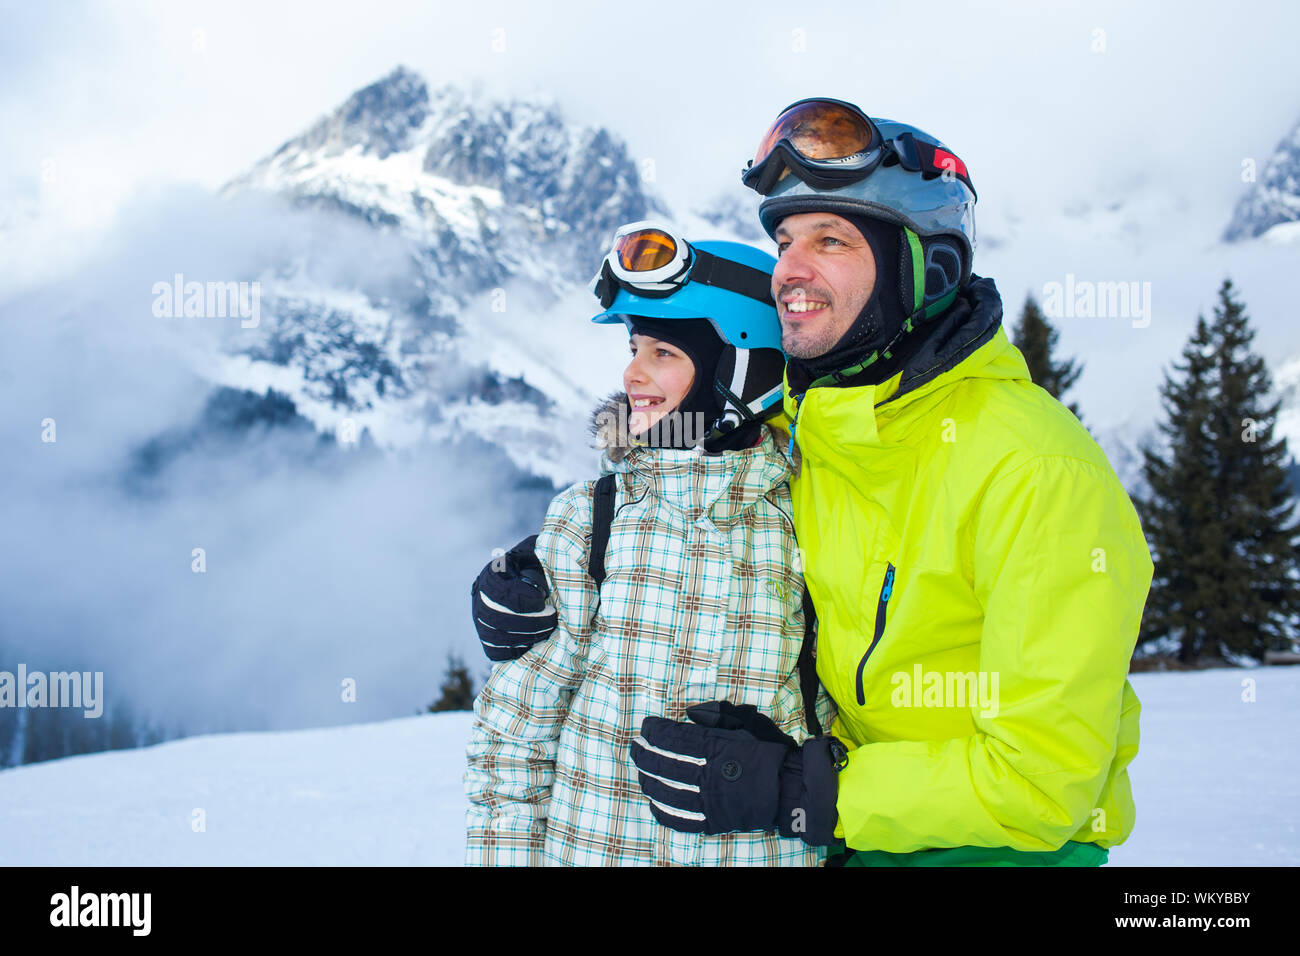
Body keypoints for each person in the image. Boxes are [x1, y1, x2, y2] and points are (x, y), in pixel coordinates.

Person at [630, 98, 1154, 866]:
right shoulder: (817, 432)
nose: (790, 272)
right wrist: (548, 576)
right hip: (850, 846)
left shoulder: (1036, 472)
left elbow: (1044, 783)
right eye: (784, 240)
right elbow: (695, 490)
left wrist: (801, 792)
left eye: (831, 240)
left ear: (926, 268)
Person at [464, 223, 835, 866]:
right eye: (635, 347)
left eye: (664, 352)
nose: (631, 372)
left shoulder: (814, 525)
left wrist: (807, 789)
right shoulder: (592, 520)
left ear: (741, 368)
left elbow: (844, 717)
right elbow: (514, 740)